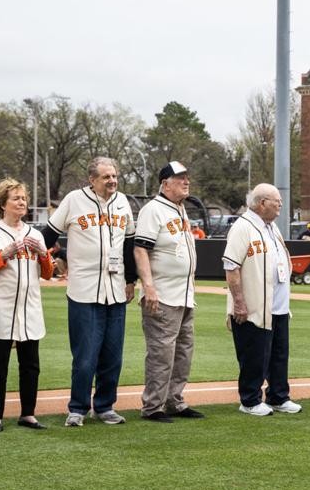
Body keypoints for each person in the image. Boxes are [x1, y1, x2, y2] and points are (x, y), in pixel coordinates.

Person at [43, 157, 137, 427]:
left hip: (116, 290)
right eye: (106, 176)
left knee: (112, 356)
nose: (112, 181)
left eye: (114, 176)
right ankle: (78, 408)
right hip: (84, 291)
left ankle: (105, 406)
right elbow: (48, 234)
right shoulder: (74, 200)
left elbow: (128, 245)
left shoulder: (123, 202)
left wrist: (131, 280)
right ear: (92, 179)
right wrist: (35, 255)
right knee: (85, 356)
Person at [0, 179, 54, 432]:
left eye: (23, 198)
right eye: (16, 198)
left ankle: (28, 413)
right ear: (2, 203)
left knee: (31, 365)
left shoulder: (35, 234)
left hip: (29, 308)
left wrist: (44, 253)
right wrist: (4, 255)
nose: (21, 202)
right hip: (1, 308)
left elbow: (48, 274)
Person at [133, 162, 204, 423]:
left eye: (187, 177)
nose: (186, 182)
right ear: (165, 184)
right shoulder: (153, 210)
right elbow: (141, 249)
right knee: (161, 354)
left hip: (184, 295)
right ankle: (153, 406)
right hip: (162, 295)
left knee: (183, 352)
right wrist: (149, 287)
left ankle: (175, 400)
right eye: (179, 178)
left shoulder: (180, 209)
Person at [223, 183, 301, 416]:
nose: (280, 205)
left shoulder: (272, 228)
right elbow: (231, 266)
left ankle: (278, 396)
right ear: (262, 203)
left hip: (277, 306)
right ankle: (249, 400)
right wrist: (239, 302)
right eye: (276, 201)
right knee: (254, 355)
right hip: (253, 306)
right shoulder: (243, 227)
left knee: (278, 354)